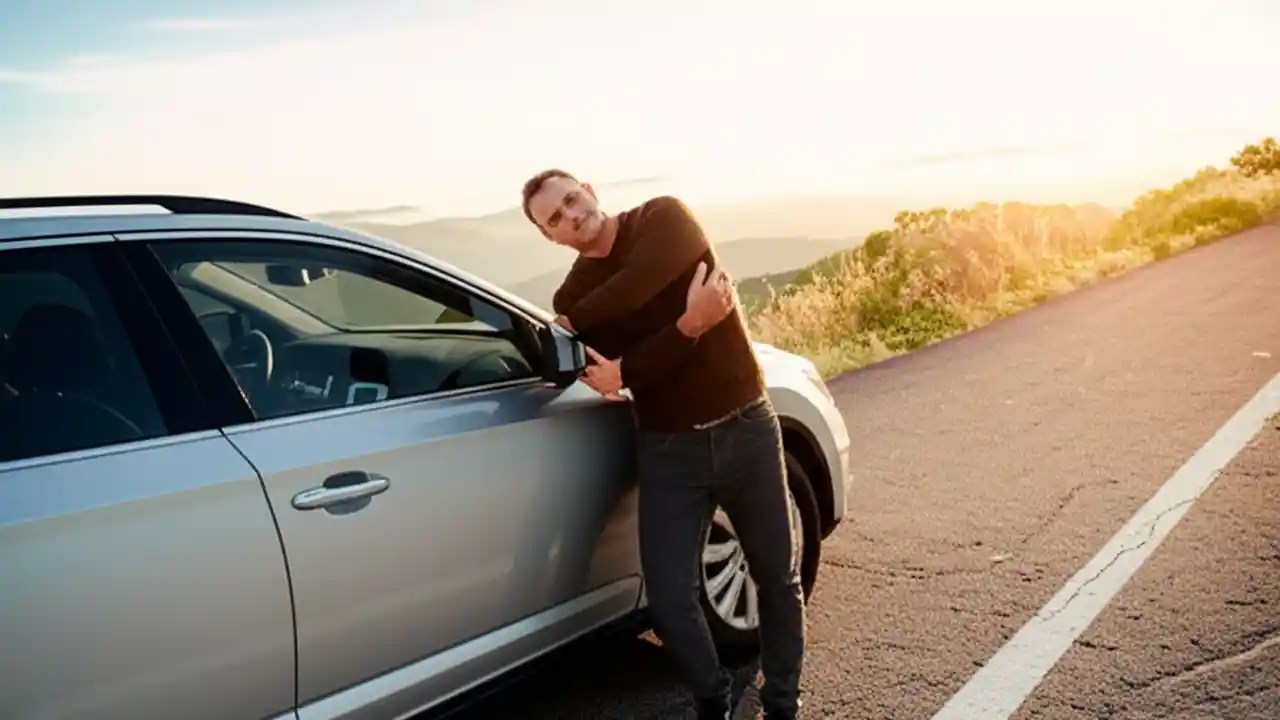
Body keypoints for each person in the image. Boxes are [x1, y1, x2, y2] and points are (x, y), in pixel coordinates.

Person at [521, 169, 806, 720]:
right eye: (554, 218)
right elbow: (619, 376)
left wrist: (596, 338)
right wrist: (689, 325)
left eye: (572, 200)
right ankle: (712, 698)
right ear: (549, 237)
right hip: (669, 451)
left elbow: (642, 285)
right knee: (672, 600)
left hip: (745, 425)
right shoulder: (573, 290)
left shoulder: (665, 218)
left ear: (590, 190)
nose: (571, 216)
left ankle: (782, 704)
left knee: (776, 575)